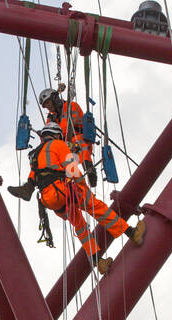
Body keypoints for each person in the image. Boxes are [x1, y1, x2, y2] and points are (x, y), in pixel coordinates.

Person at [8, 125, 145, 274]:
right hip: (64, 191)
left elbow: (32, 180)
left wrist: (29, 188)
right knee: (97, 208)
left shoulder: (34, 156)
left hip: (50, 201)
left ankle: (99, 262)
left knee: (80, 226)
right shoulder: (58, 145)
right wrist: (83, 186)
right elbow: (72, 169)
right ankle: (132, 233)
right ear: (57, 135)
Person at [39, 86, 96, 186]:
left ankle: (89, 168)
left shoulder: (71, 106)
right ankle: (65, 182)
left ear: (54, 98)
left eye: (48, 103)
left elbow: (66, 127)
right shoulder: (51, 118)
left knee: (78, 142)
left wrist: (53, 131)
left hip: (80, 140)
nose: (48, 107)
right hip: (66, 146)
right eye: (45, 105)